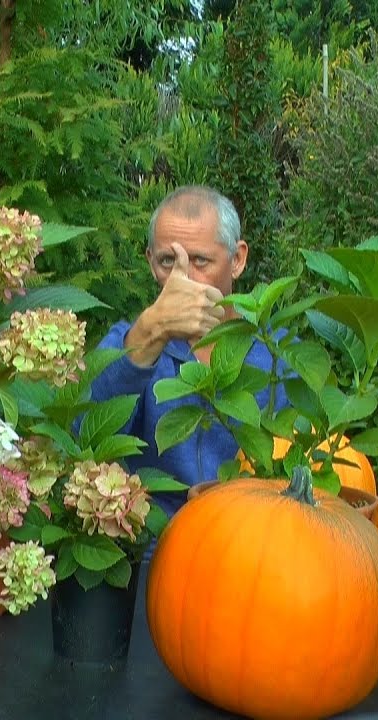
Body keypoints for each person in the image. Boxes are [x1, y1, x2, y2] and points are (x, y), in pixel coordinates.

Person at [87, 185, 294, 517]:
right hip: (156, 546)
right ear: (150, 261)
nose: (183, 278)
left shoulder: (279, 356)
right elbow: (83, 437)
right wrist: (150, 334)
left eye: (200, 260)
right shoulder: (128, 343)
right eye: (168, 261)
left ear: (238, 260)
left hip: (256, 541)